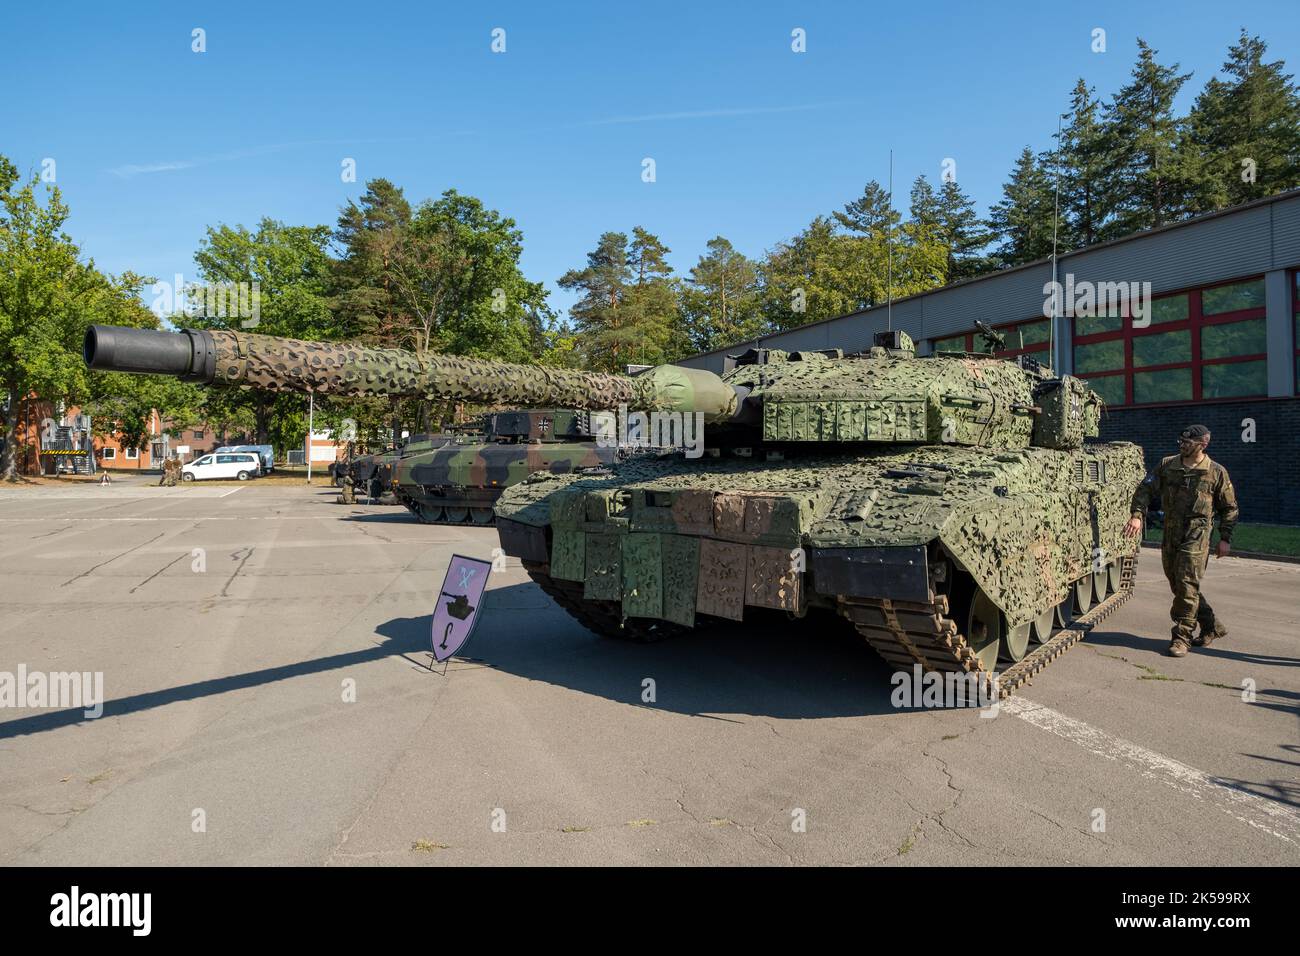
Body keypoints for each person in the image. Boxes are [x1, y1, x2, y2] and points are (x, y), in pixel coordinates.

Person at [1123, 424, 1238, 657]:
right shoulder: (1168, 465)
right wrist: (1137, 516)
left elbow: (1229, 508)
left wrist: (1225, 538)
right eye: (1181, 442)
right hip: (1171, 532)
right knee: (1178, 583)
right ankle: (1211, 626)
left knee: (1186, 583)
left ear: (1202, 445)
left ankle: (1181, 637)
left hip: (1198, 534)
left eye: (1188, 443)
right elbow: (1145, 489)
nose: (1183, 446)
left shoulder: (1215, 471)